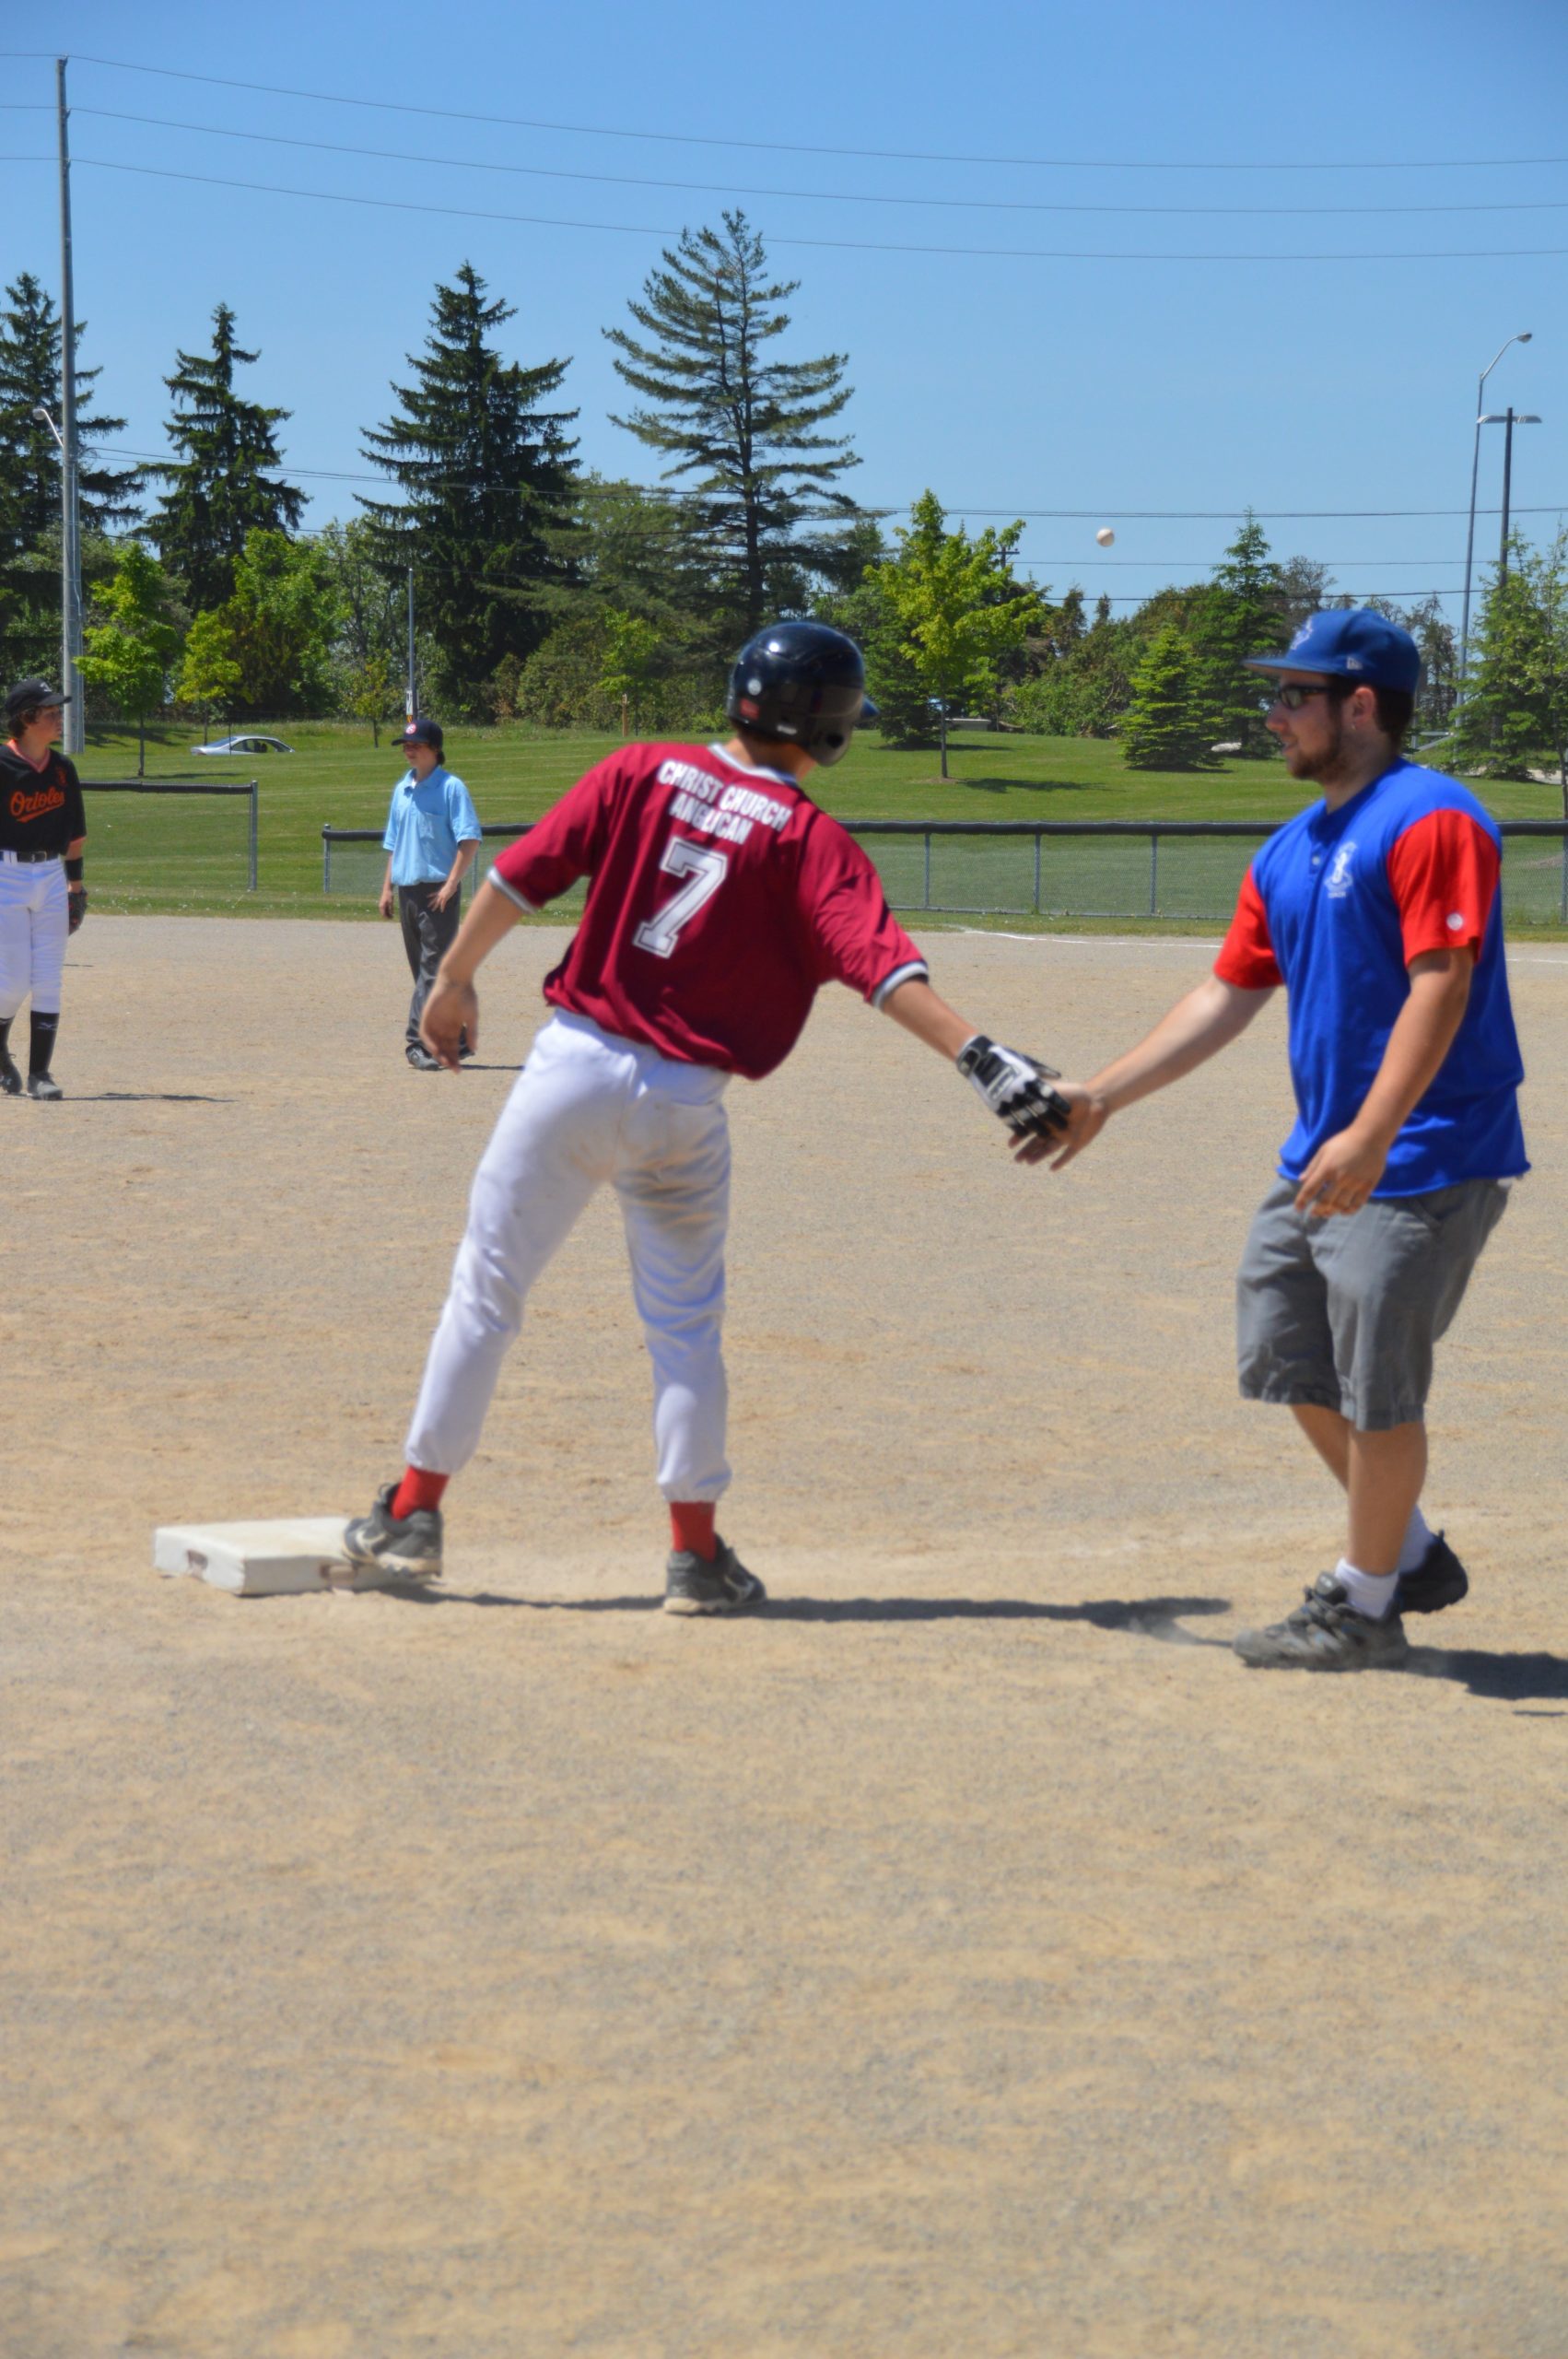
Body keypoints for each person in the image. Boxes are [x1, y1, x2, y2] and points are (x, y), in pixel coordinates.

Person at [343, 621, 1071, 1609]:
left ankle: (414, 1510)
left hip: (571, 1068)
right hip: (687, 1103)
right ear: (830, 730)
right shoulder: (812, 838)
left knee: (487, 1291)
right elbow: (880, 965)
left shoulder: (640, 770)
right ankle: (695, 1552)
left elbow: (518, 878)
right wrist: (980, 1059)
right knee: (684, 1330)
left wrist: (451, 979)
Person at [1036, 609, 1527, 1672]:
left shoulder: (1431, 817)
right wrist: (1103, 1094)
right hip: (1324, 1153)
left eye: (1291, 696)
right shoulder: (1290, 847)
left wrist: (1370, 1133)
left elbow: (1441, 986)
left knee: (1376, 1387)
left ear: (1361, 705)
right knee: (1283, 1351)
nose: (1271, 716)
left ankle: (1360, 1605)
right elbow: (1226, 993)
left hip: (1424, 1153)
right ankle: (1407, 1551)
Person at [0, 678, 88, 1100]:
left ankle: (40, 1074)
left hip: (52, 875)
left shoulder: (62, 769)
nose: (58, 717)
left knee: (49, 977)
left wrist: (76, 886)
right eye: (49, 711)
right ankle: (0, 1052)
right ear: (26, 718)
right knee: (14, 983)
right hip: (6, 876)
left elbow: (75, 837)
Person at [379, 717, 482, 1071]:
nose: (409, 749)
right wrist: (386, 888)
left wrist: (452, 884)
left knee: (433, 970)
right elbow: (394, 844)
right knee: (425, 972)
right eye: (406, 745)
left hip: (439, 891)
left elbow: (469, 840)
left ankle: (416, 1042)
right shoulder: (401, 790)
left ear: (435, 750)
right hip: (407, 889)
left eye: (416, 745)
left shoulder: (452, 788)